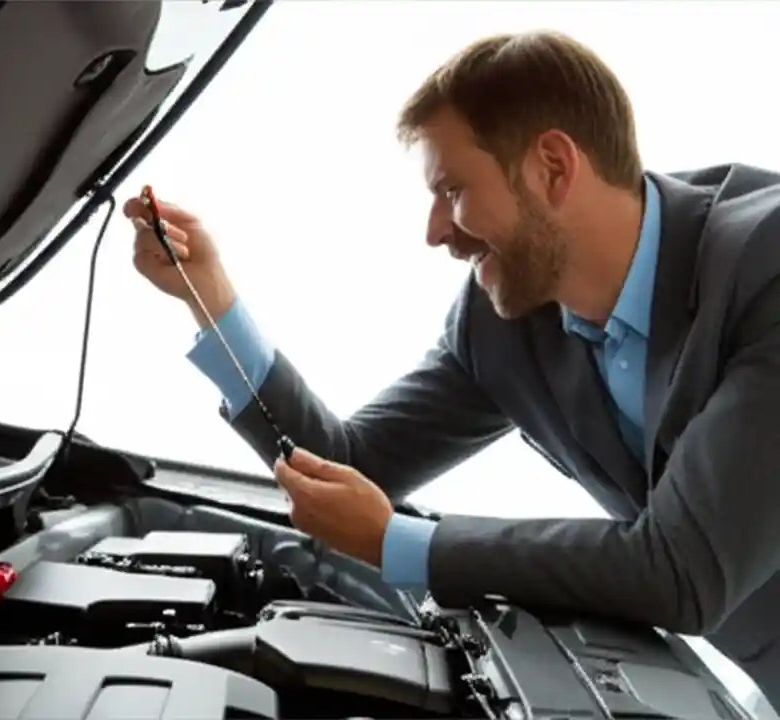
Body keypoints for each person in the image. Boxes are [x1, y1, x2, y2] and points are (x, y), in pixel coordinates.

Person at [125, 30, 780, 704]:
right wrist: (210, 296)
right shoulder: (502, 325)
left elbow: (681, 568)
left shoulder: (768, 266)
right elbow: (347, 469)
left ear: (553, 167)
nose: (435, 230)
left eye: (454, 190)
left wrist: (405, 545)